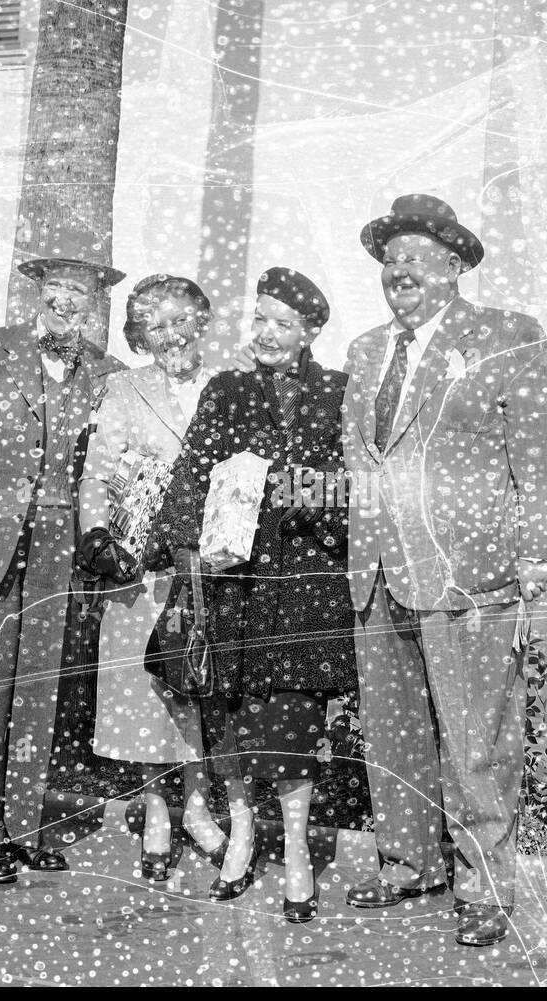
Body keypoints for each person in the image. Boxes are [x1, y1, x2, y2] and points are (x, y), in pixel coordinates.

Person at [341, 194, 547, 946]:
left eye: (416, 257)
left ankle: (483, 882)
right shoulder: (368, 350)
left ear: (455, 265)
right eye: (390, 259)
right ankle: (410, 861)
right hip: (376, 570)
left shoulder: (506, 335)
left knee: (476, 737)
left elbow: (539, 452)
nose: (399, 271)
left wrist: (536, 550)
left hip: (469, 571)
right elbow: (358, 460)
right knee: (394, 730)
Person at [0, 220, 126, 884]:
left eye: (81, 290)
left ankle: (26, 823)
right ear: (37, 290)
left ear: (97, 303)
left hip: (57, 560)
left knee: (38, 698)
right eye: (56, 286)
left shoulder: (107, 374)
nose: (66, 301)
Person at [153, 267, 354, 923]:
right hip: (231, 580)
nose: (266, 333)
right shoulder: (227, 389)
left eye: (282, 323)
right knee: (229, 714)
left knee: (292, 722)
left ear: (310, 332)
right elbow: (190, 472)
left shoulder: (336, 393)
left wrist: (282, 482)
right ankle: (241, 835)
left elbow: (346, 490)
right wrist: (183, 553)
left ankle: (296, 850)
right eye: (260, 319)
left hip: (299, 585)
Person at [77, 274, 230, 881]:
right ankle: (157, 813)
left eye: (180, 321)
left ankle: (198, 808)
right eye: (155, 326)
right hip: (138, 566)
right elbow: (99, 473)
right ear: (142, 336)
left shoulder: (229, 387)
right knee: (143, 698)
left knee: (195, 691)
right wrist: (98, 538)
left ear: (202, 322)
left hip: (204, 568)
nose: (170, 335)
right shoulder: (122, 389)